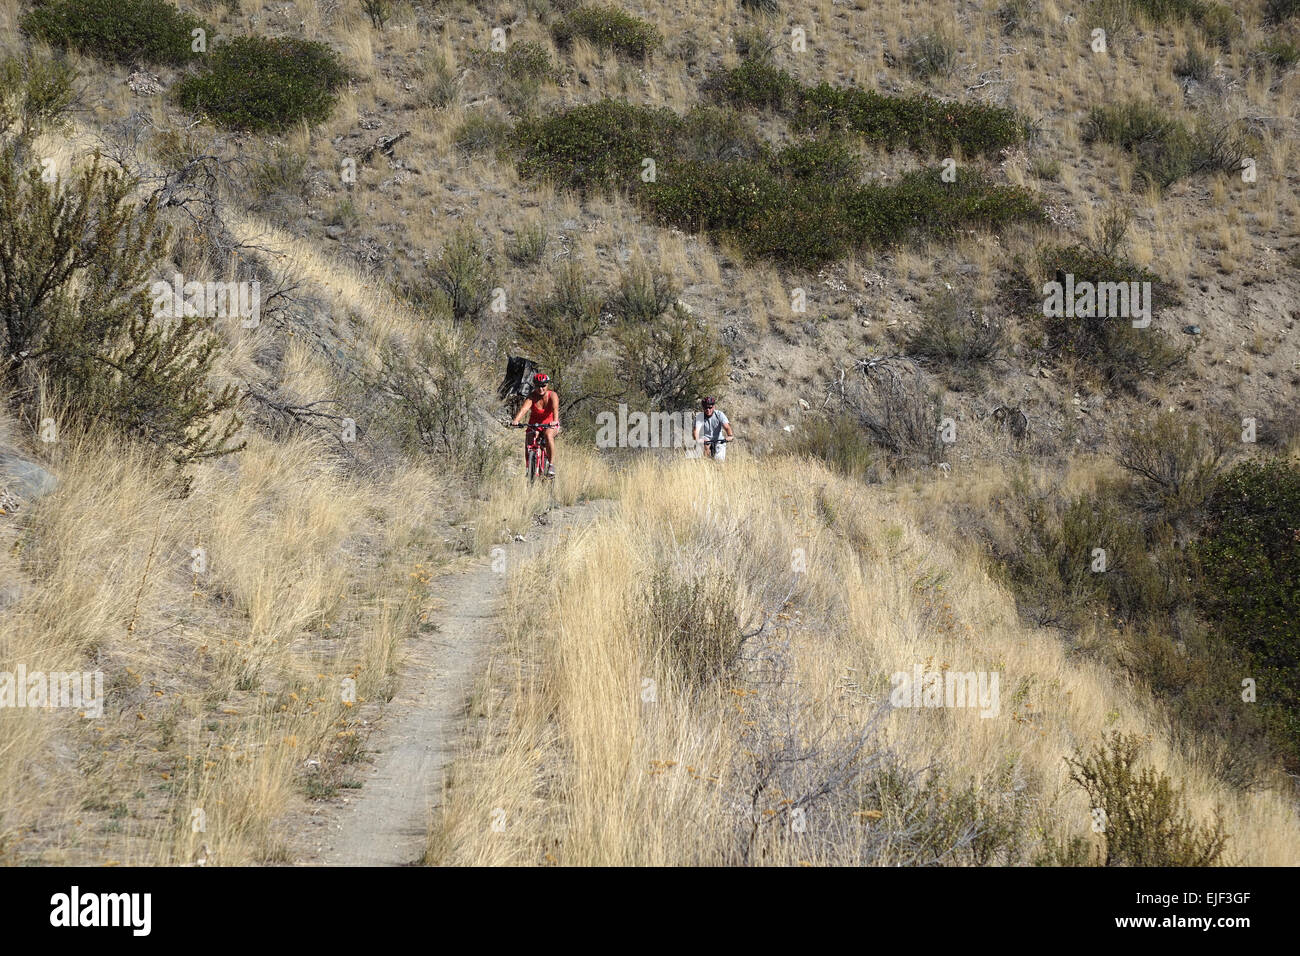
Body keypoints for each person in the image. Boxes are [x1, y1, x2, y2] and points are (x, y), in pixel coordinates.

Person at [511, 372, 560, 476]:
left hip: (550, 423)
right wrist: (516, 420)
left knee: (548, 435)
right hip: (534, 423)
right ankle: (529, 468)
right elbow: (523, 409)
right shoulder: (532, 396)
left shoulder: (552, 395)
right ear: (534, 386)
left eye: (543, 386)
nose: (541, 388)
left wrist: (555, 421)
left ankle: (551, 464)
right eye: (538, 386)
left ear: (547, 385)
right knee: (529, 440)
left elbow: (555, 409)